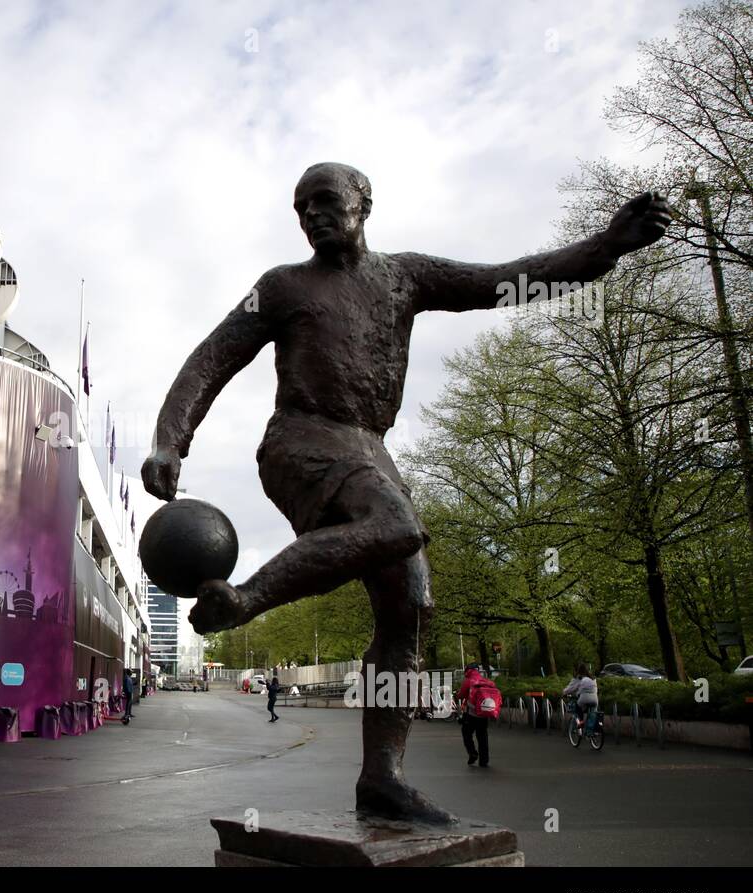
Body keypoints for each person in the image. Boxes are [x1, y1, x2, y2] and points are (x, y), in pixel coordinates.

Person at [142, 161, 669, 821]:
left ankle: (381, 778)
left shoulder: (404, 277)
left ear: (365, 204)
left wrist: (604, 248)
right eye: (301, 208)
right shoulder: (281, 287)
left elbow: (503, 282)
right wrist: (171, 438)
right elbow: (213, 356)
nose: (312, 216)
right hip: (303, 440)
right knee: (395, 524)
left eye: (326, 201)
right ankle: (248, 598)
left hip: (369, 449)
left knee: (412, 607)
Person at [454, 663, 491, 768]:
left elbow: (461, 695)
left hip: (471, 714)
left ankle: (472, 753)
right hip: (484, 714)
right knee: (483, 736)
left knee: (466, 733)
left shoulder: (469, 681)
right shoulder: (486, 681)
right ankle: (484, 761)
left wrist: (457, 694)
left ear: (468, 671)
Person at [562, 663, 599, 732]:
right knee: (593, 713)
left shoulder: (579, 678)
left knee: (578, 708)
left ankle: (581, 722)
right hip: (595, 699)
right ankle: (591, 732)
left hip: (584, 698)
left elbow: (570, 689)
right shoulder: (593, 678)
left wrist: (563, 693)